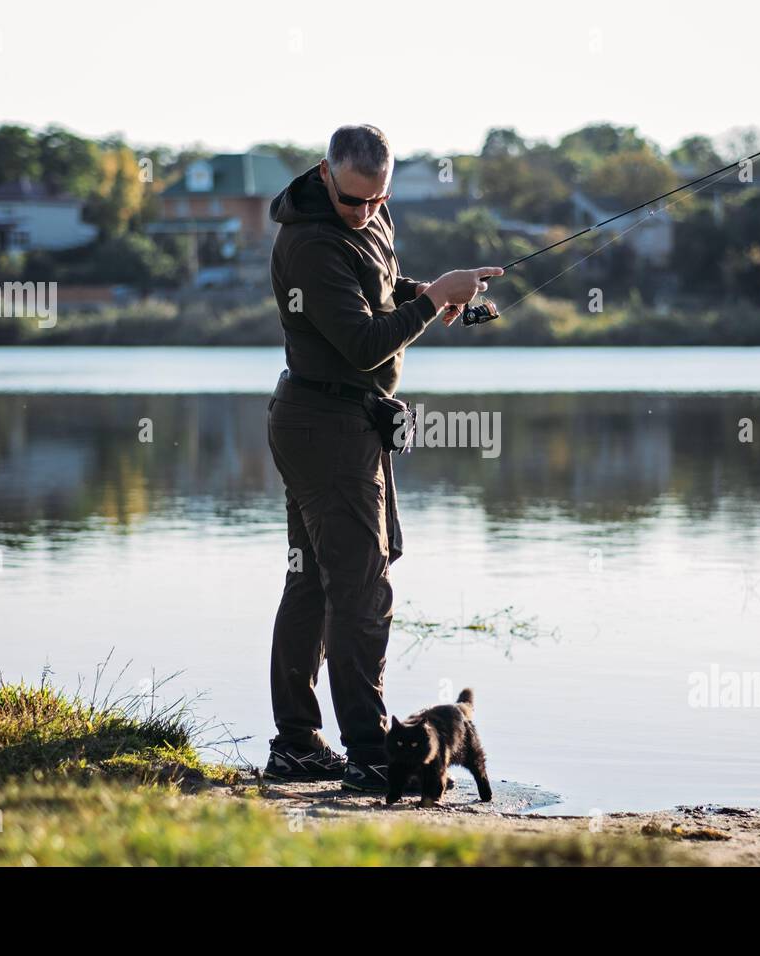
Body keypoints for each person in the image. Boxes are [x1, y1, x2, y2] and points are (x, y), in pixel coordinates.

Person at [261, 123, 503, 792]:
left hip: (343, 422)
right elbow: (365, 342)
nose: (367, 213)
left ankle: (297, 746)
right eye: (354, 202)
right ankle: (370, 755)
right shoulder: (308, 242)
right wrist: (431, 302)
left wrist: (441, 293)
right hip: (323, 427)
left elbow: (382, 287)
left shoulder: (368, 212)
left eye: (378, 201)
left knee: (312, 579)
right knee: (363, 591)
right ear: (324, 174)